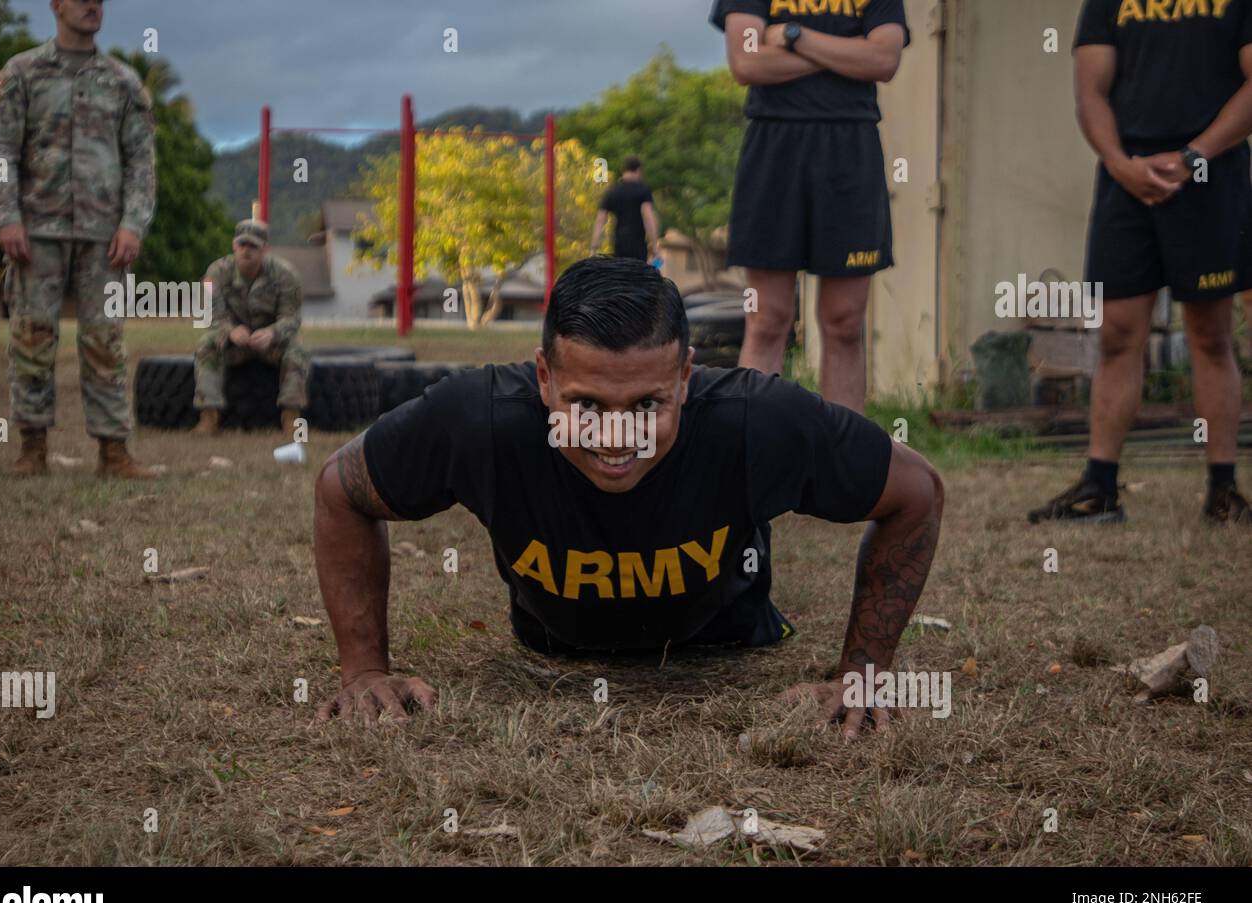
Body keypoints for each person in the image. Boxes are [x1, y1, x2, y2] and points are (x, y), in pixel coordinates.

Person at [312, 257, 944, 737]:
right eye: (586, 405)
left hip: (724, 643)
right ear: (543, 378)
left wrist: (863, 672)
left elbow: (916, 492)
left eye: (648, 404)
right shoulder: (479, 420)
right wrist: (365, 672)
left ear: (687, 377)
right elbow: (341, 490)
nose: (618, 436)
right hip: (553, 651)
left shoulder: (756, 421)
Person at [1030, 0, 1252, 525]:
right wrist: (1119, 164)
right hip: (1125, 178)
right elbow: (1090, 93)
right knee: (1117, 335)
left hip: (1209, 174)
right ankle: (1100, 488)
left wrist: (1195, 156)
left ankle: (1223, 491)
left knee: (1211, 335)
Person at [0, 0, 157, 479]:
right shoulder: (20, 73)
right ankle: (31, 449)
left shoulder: (124, 82)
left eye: (99, 1)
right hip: (35, 229)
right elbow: (0, 152)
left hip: (105, 234)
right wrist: (6, 217)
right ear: (56, 6)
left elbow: (142, 163)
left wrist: (132, 223)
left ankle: (114, 452)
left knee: (105, 340)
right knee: (32, 337)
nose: (92, 7)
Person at [711, 0, 909, 413]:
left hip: (851, 151)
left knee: (845, 323)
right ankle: (758, 453)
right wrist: (846, 52)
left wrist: (793, 37)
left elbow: (884, 59)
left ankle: (842, 460)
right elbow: (746, 64)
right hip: (774, 148)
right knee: (767, 320)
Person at [192, 220, 309, 439]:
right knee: (206, 345)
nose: (246, 251)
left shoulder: (285, 274)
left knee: (297, 350)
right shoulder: (217, 272)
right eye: (242, 245)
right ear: (234, 246)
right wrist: (230, 330)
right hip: (235, 343)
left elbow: (292, 317)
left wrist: (273, 332)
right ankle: (209, 416)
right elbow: (209, 312)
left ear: (265, 249)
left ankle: (291, 417)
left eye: (253, 246)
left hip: (270, 343)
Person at [591, 157, 660, 262]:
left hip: (619, 242)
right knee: (637, 274)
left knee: (621, 274)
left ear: (623, 171)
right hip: (638, 243)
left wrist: (594, 246)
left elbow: (600, 219)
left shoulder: (612, 191)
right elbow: (648, 216)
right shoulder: (643, 190)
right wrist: (654, 245)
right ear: (638, 171)